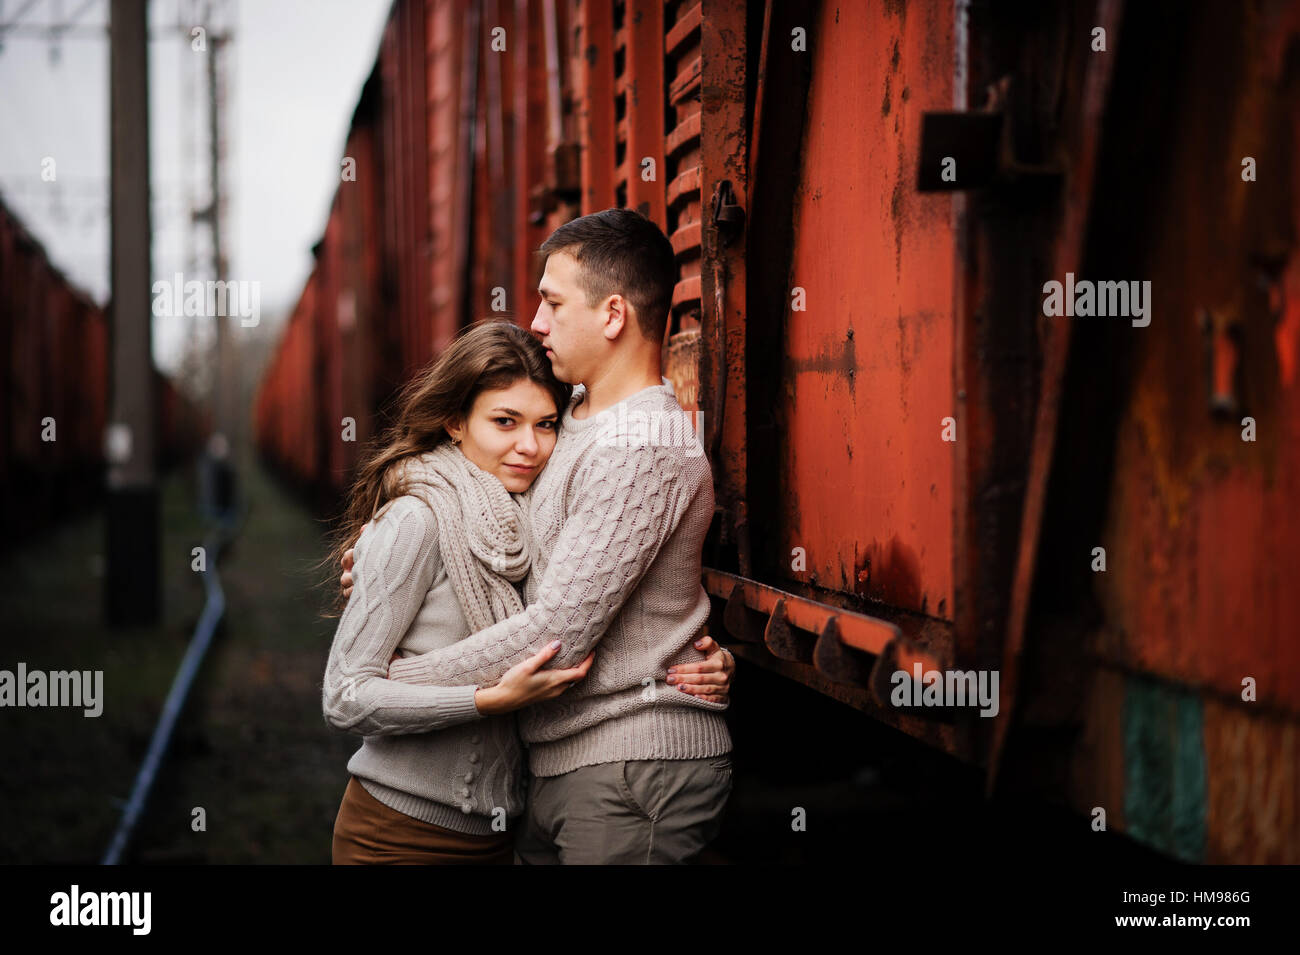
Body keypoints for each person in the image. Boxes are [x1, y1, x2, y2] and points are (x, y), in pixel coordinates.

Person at [340, 208, 738, 864]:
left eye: (552, 302)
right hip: (563, 769)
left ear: (612, 315)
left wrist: (394, 680)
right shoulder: (570, 421)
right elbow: (499, 537)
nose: (538, 322)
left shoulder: (643, 444)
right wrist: (392, 554)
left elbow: (556, 634)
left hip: (630, 771)